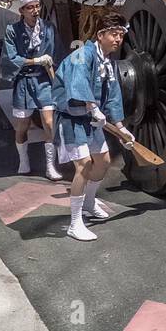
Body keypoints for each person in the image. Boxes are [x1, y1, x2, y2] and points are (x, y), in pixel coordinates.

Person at [53, 13, 136, 242]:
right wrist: (92, 107)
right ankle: (74, 222)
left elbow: (113, 96)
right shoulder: (82, 55)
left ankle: (89, 201)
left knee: (104, 161)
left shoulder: (107, 61)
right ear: (101, 35)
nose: (118, 39)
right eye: (114, 34)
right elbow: (77, 82)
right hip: (72, 118)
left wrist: (120, 127)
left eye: (121, 35)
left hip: (91, 119)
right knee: (84, 166)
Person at [2, 0, 61, 180]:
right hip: (24, 82)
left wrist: (57, 71)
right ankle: (24, 160)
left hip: (44, 81)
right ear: (22, 11)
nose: (35, 11)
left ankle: (50, 166)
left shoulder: (49, 28)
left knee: (50, 123)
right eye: (30, 8)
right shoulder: (12, 30)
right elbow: (10, 58)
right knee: (23, 126)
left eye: (37, 7)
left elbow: (58, 52)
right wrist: (35, 60)